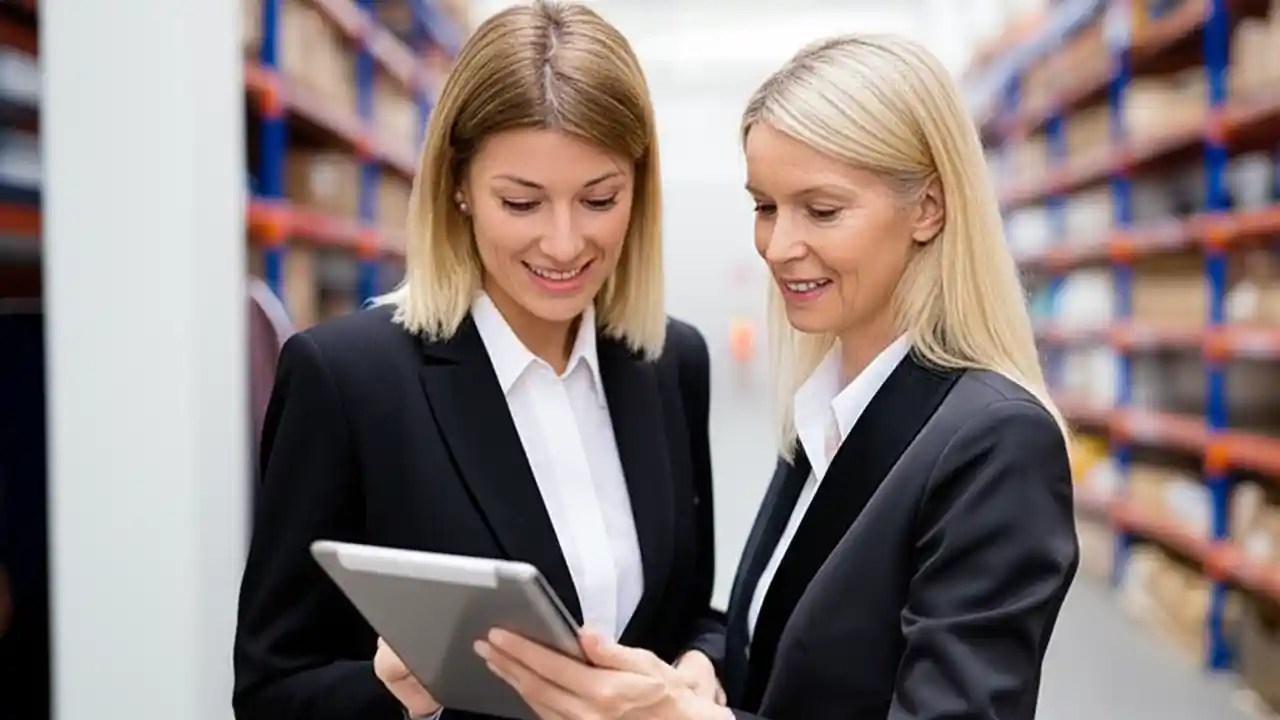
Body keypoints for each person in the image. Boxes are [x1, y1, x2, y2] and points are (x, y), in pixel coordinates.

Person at [478, 32, 1080, 720]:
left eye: (821, 211)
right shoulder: (827, 411)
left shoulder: (995, 441)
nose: (779, 246)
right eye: (765, 207)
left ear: (929, 208)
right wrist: (693, 677)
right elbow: (781, 667)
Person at [231, 3, 724, 719]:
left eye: (599, 198)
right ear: (459, 186)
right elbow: (270, 692)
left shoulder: (670, 363)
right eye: (521, 202)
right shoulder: (349, 381)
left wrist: (702, 665)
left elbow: (688, 609)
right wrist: (395, 692)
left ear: (639, 189)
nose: (563, 243)